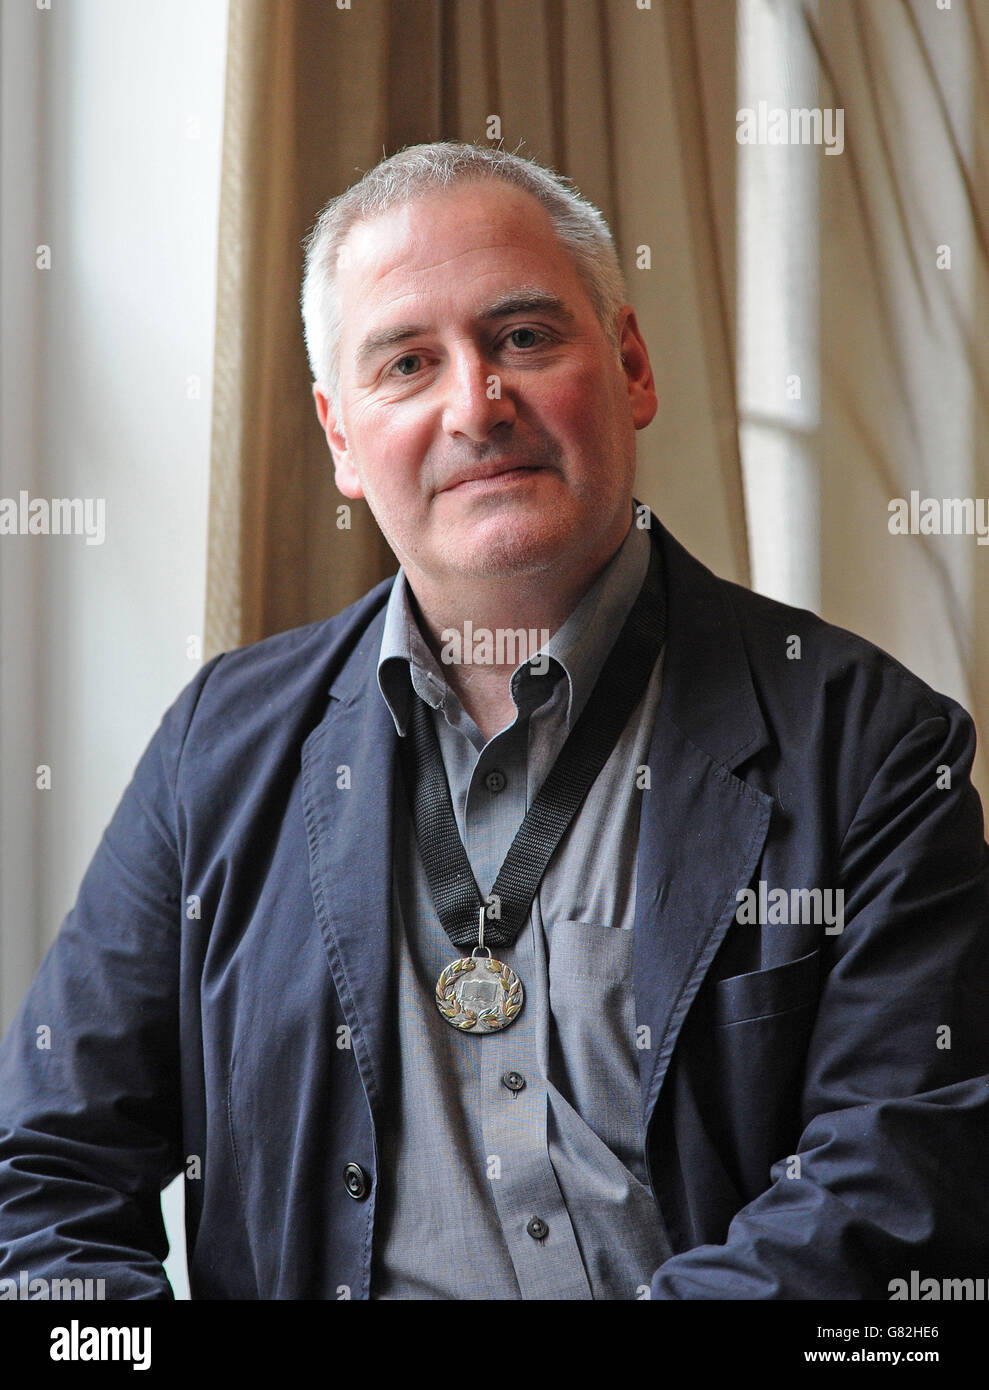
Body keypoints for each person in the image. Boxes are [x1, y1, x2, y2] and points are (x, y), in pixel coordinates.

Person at [1, 141, 988, 1301]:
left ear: (629, 366)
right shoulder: (213, 749)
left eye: (523, 337)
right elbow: (43, 1187)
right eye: (407, 363)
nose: (475, 402)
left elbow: (895, 1202)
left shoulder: (873, 748)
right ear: (340, 441)